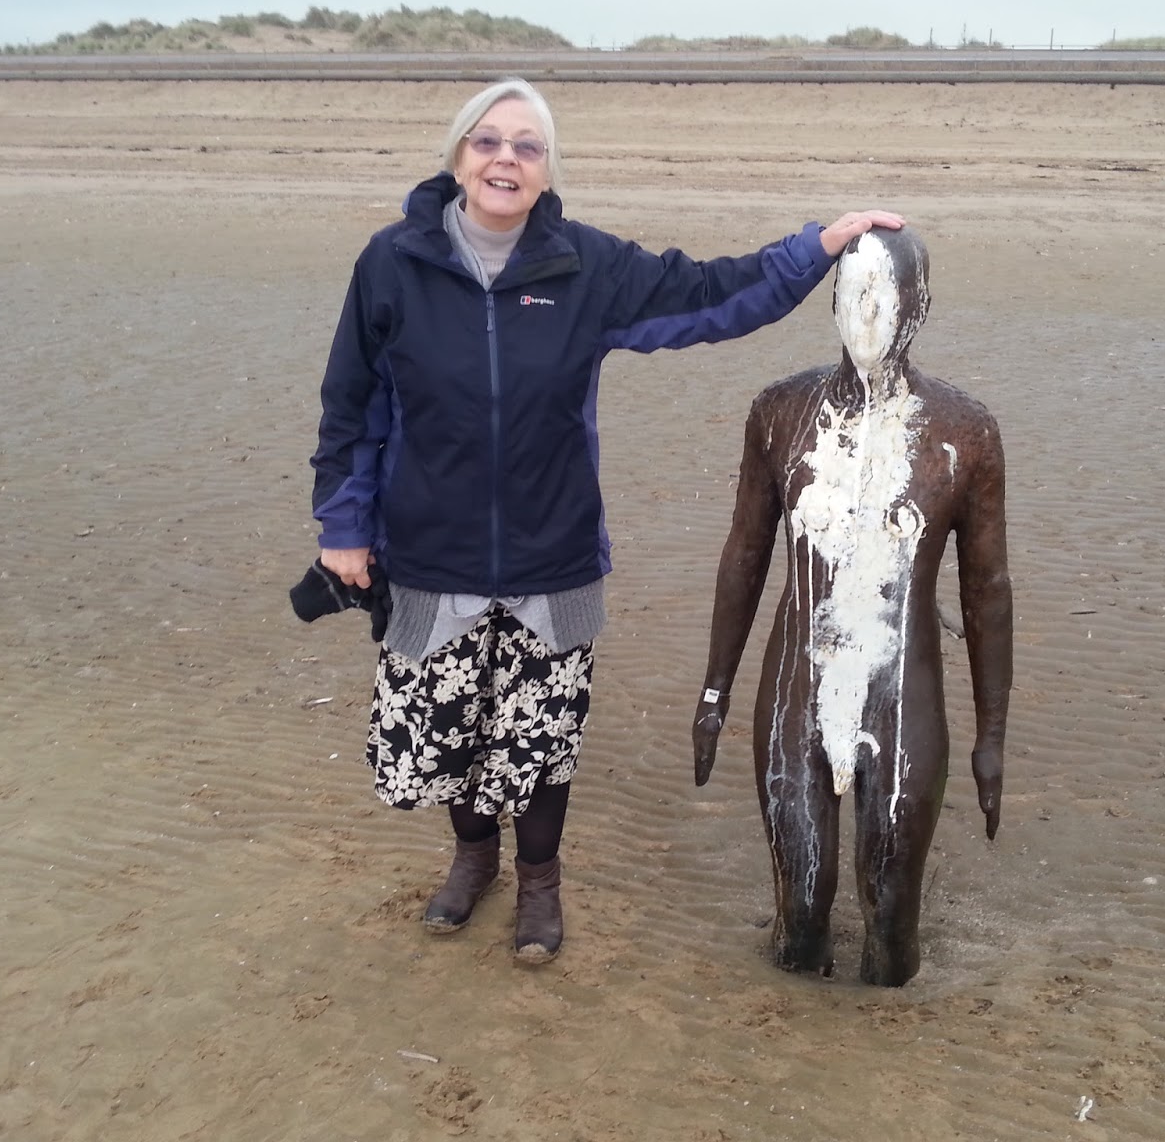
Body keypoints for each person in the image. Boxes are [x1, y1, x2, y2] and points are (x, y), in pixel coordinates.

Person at [309, 77, 903, 965]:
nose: (506, 159)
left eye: (528, 147)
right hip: (429, 552)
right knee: (451, 730)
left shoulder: (582, 266)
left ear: (548, 171)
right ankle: (473, 859)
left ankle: (539, 883)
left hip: (555, 553)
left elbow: (709, 294)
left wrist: (814, 248)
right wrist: (343, 526)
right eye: (487, 141)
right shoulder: (391, 263)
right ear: (457, 156)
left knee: (542, 737)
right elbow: (351, 407)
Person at [690, 225, 1012, 986]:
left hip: (905, 695)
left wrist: (991, 737)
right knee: (802, 912)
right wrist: (713, 694)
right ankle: (795, 1022)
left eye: (886, 295)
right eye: (852, 292)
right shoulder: (780, 413)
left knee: (892, 917)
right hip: (796, 688)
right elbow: (744, 556)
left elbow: (988, 588)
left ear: (919, 306)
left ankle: (883, 1027)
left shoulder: (963, 432)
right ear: (830, 302)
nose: (867, 312)